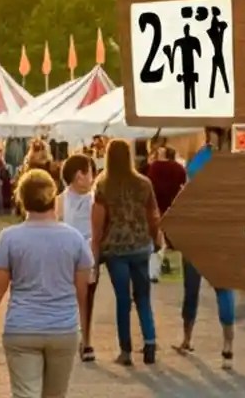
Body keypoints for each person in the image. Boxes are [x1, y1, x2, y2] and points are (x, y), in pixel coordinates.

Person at [0, 169, 93, 398]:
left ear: (21, 200)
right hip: (63, 328)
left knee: (25, 393)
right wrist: (85, 336)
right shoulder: (74, 238)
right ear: (53, 198)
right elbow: (82, 291)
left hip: (22, 327)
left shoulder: (10, 237)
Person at [92, 138, 162, 366]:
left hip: (116, 249)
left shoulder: (103, 185)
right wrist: (156, 239)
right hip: (141, 245)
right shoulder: (144, 183)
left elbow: (99, 224)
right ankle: (150, 342)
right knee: (143, 297)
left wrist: (95, 252)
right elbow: (153, 215)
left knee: (123, 300)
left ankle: (126, 351)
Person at [174, 128, 236, 370]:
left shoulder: (200, 156)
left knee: (191, 286)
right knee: (223, 288)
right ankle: (228, 346)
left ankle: (187, 339)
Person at [55, 154, 98, 362]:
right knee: (65, 298)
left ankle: (86, 341)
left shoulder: (96, 199)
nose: (93, 177)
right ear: (79, 175)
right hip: (65, 257)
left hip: (88, 257)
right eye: (91, 172)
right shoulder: (61, 201)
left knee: (86, 298)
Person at [147, 146, 187, 279]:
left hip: (156, 207)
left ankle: (155, 271)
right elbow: (184, 185)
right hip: (173, 207)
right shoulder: (179, 168)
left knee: (157, 241)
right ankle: (171, 269)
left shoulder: (153, 167)